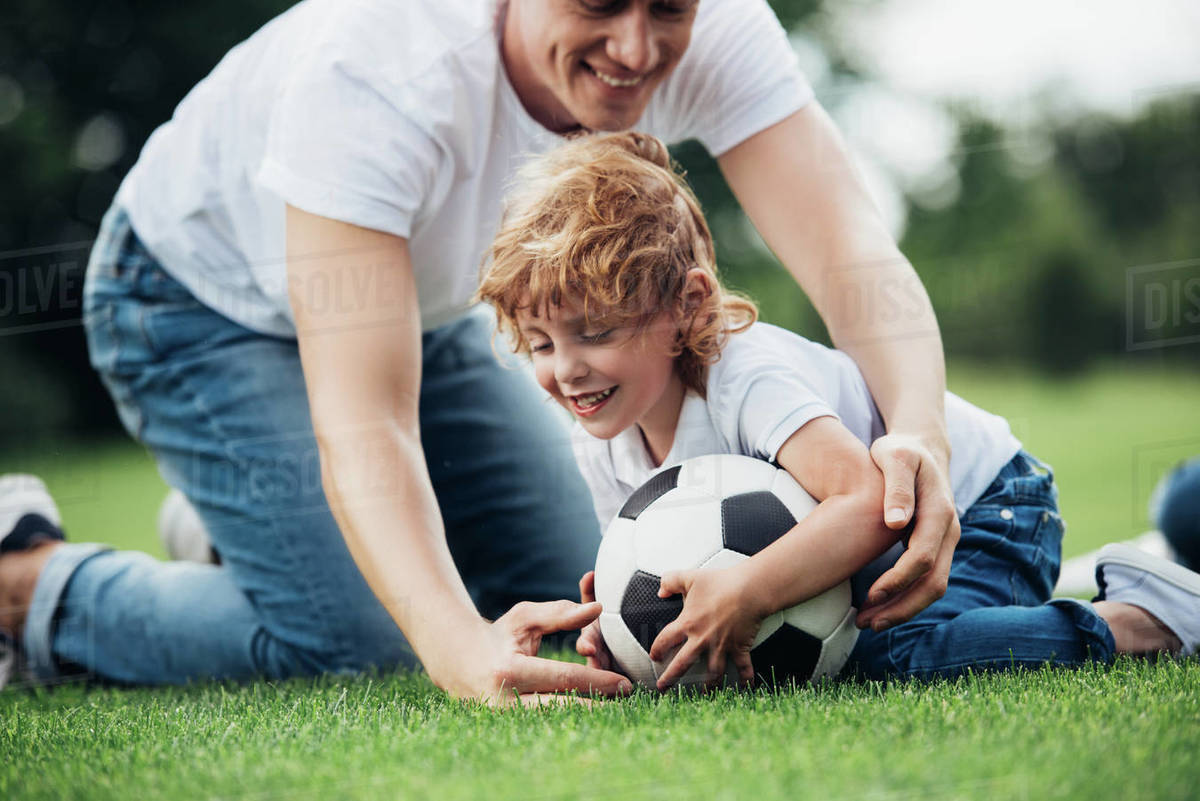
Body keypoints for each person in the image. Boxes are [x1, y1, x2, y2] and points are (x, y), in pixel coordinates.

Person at [0, 0, 957, 701]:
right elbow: (366, 421)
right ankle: (28, 577)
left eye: (667, 11)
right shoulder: (381, 66)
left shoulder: (707, 27)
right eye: (599, 6)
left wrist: (919, 435)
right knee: (377, 637)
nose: (636, 49)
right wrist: (453, 650)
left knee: (566, 594)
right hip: (193, 304)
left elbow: (851, 252)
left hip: (417, 308)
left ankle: (241, 526)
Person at [476, 131, 1200, 688]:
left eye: (595, 332)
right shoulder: (597, 430)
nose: (565, 369)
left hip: (982, 510)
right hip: (869, 551)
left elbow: (863, 501)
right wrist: (621, 631)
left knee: (881, 659)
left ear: (685, 305)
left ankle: (1142, 618)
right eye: (539, 342)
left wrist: (753, 587)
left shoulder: (744, 373)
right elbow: (654, 565)